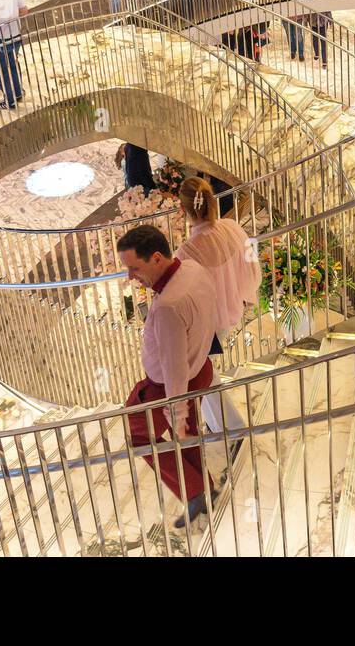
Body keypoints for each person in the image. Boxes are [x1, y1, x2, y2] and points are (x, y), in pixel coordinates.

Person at [117, 225, 221, 529]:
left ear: (158, 258)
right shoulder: (192, 268)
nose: (130, 276)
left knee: (138, 435)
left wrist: (175, 418)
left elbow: (174, 370)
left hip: (171, 384)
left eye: (134, 268)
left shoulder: (167, 307)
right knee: (188, 436)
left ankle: (195, 491)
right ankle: (204, 489)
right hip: (200, 367)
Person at [174, 177, 260, 456]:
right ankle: (218, 424)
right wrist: (245, 296)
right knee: (202, 372)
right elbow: (251, 265)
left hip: (210, 325)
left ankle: (232, 428)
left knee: (201, 373)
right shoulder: (233, 228)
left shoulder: (187, 251)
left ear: (183, 208)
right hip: (235, 308)